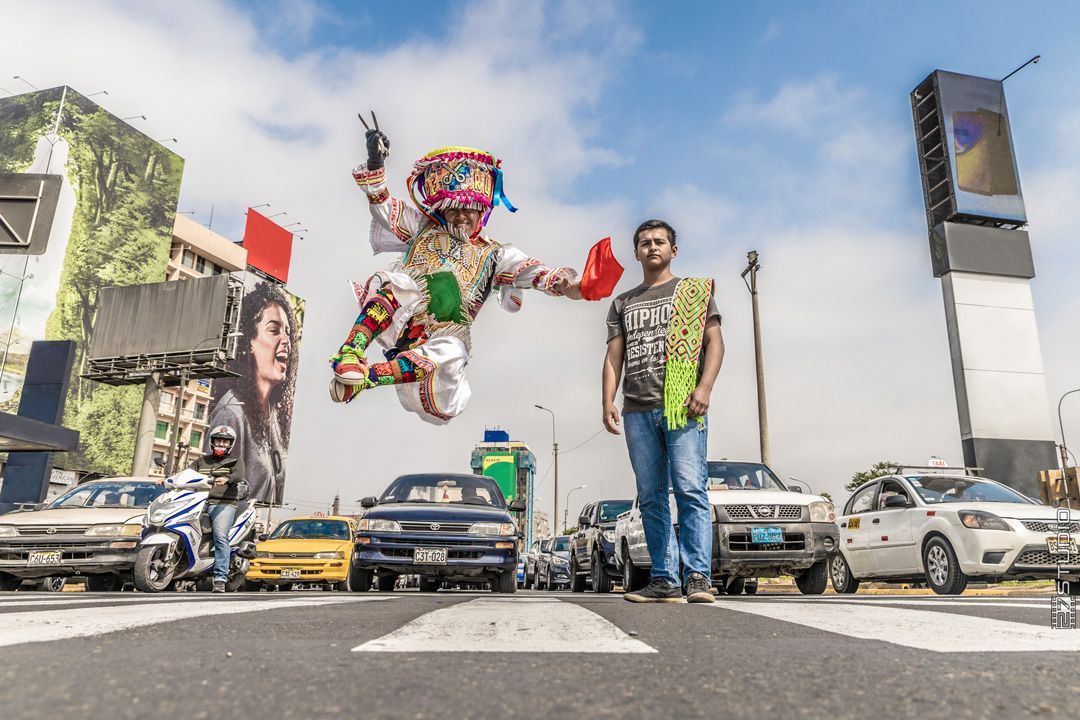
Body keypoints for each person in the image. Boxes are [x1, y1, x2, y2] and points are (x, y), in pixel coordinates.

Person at [329, 119, 583, 423]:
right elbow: (382, 204)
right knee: (399, 282)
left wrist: (567, 283)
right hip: (402, 324)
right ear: (442, 208)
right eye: (453, 208)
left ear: (481, 211)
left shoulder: (496, 254)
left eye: (468, 209)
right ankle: (351, 353)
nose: (461, 216)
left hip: (435, 362)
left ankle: (366, 378)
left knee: (452, 350)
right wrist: (375, 161)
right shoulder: (423, 228)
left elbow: (538, 274)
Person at [602, 219, 724, 603]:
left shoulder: (693, 293)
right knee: (651, 496)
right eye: (644, 243)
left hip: (683, 408)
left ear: (674, 249)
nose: (652, 247)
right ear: (636, 251)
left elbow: (715, 344)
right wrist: (607, 400)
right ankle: (664, 580)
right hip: (638, 409)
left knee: (690, 490)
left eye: (659, 242)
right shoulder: (623, 302)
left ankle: (698, 578)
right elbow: (613, 357)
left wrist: (704, 388)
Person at [209, 281, 297, 504]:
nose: (286, 341)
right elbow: (220, 479)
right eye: (274, 330)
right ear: (249, 341)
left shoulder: (275, 414)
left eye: (287, 332)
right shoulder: (232, 413)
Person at [189, 425, 247, 593]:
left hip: (223, 503)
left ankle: (220, 578)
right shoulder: (201, 461)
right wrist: (167, 480)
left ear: (230, 444)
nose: (221, 443)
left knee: (220, 537)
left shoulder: (234, 461)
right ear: (212, 442)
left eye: (225, 441)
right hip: (198, 502)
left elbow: (239, 475)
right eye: (218, 440)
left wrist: (227, 479)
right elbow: (186, 474)